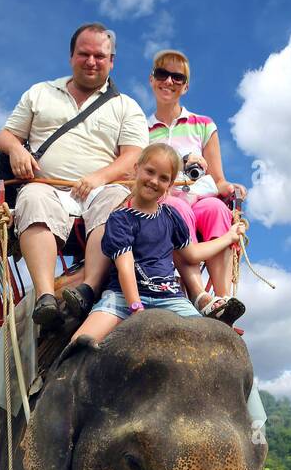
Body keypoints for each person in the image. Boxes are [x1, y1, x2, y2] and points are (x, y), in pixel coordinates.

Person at [0, 24, 149, 330]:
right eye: (84, 54)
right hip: (46, 186)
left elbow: (133, 156)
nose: (91, 61)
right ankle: (46, 297)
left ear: (111, 61)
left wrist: (99, 177)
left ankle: (87, 288)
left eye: (100, 56)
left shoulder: (126, 106)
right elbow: (5, 135)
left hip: (100, 190)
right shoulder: (40, 92)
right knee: (33, 198)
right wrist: (16, 150)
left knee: (117, 203)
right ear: (71, 57)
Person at [69, 143, 244, 345]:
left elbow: (192, 254)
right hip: (122, 299)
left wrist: (229, 237)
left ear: (170, 185)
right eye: (150, 172)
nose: (154, 181)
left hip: (169, 298)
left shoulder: (172, 216)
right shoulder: (120, 218)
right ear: (137, 169)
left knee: (209, 343)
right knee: (79, 343)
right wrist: (136, 308)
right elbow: (125, 267)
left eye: (163, 178)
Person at [148, 49, 249, 322]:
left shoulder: (203, 124)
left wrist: (230, 188)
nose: (168, 81)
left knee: (217, 208)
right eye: (162, 74)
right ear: (152, 79)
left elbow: (218, 178)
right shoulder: (142, 131)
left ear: (186, 86)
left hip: (201, 197)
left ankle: (223, 296)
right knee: (175, 207)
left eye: (177, 77)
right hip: (165, 200)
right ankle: (197, 292)